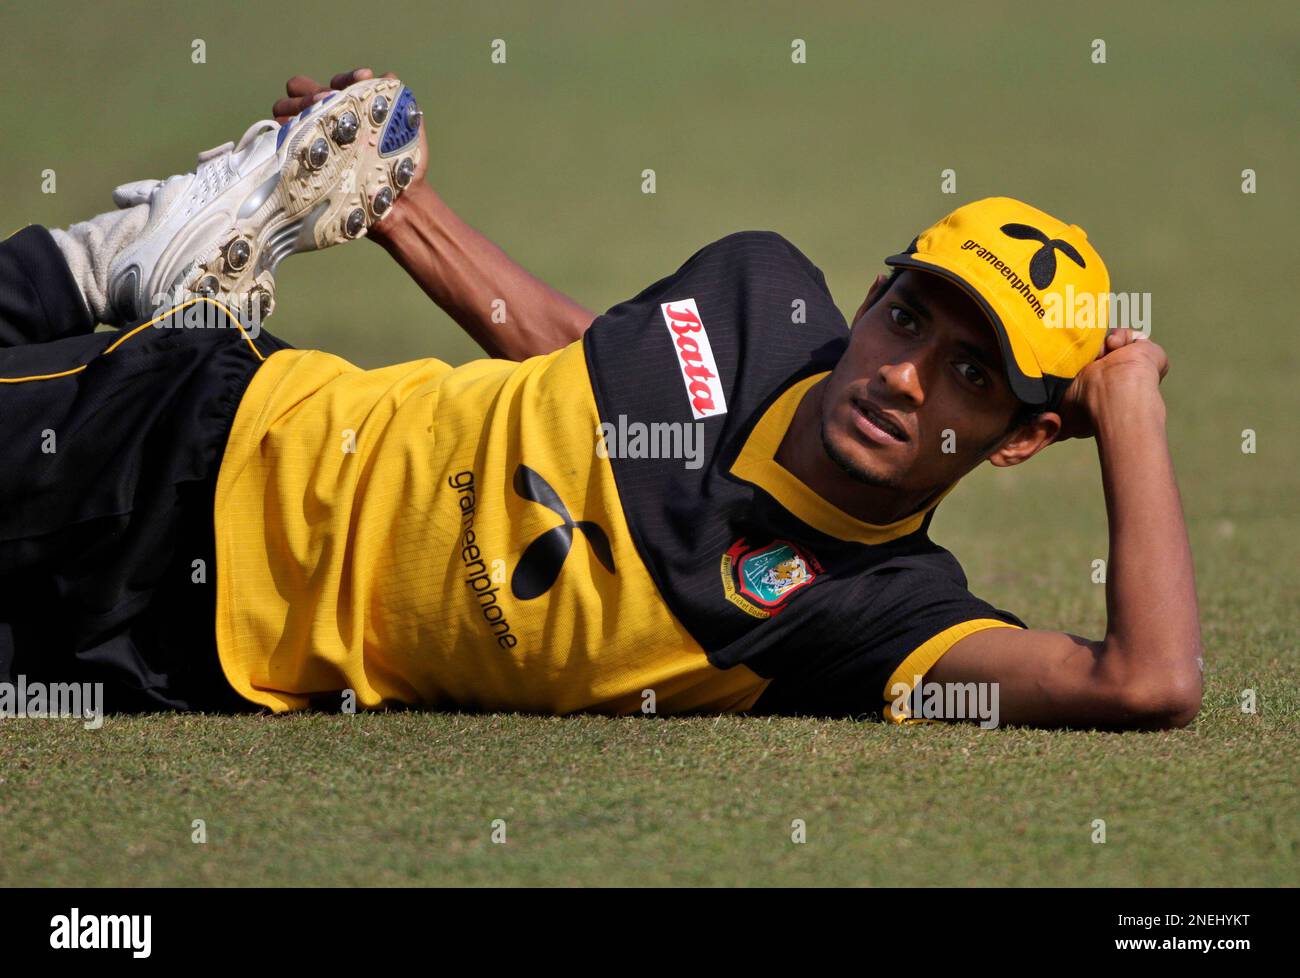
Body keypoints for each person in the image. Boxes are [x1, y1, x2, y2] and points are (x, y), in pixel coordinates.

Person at [0, 69, 1202, 729]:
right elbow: (576, 349)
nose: (903, 373)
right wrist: (391, 197)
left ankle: (103, 266)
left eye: (971, 375)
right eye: (906, 317)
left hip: (191, 662)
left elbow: (1141, 682)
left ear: (1024, 438)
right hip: (201, 454)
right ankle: (116, 269)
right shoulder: (761, 294)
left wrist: (1131, 401)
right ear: (875, 290)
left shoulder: (875, 613)